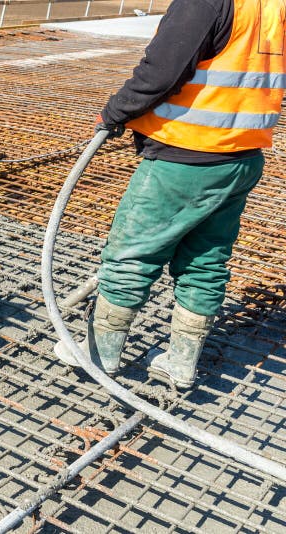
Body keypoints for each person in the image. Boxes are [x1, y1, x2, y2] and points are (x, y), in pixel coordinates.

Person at [55, 0, 284, 389]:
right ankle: (180, 363)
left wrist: (114, 113)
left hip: (183, 160)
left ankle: (100, 355)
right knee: (206, 262)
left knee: (132, 256)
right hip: (241, 158)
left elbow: (161, 72)